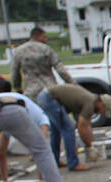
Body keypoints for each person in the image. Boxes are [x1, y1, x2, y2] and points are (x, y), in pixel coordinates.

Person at [10, 26, 84, 170]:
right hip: (50, 90)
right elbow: (61, 70)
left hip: (31, 92)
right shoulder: (46, 49)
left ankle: (50, 158)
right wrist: (73, 85)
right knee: (61, 126)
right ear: (39, 36)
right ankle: (69, 161)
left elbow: (14, 73)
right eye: (45, 37)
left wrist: (18, 88)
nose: (46, 40)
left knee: (40, 126)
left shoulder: (19, 51)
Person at [43, 82, 111, 163]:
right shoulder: (90, 103)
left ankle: (55, 161)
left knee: (56, 131)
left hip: (47, 96)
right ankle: (73, 163)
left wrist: (93, 145)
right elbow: (81, 127)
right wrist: (89, 147)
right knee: (69, 129)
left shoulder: (92, 100)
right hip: (49, 98)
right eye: (104, 110)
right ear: (101, 104)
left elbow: (87, 126)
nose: (102, 113)